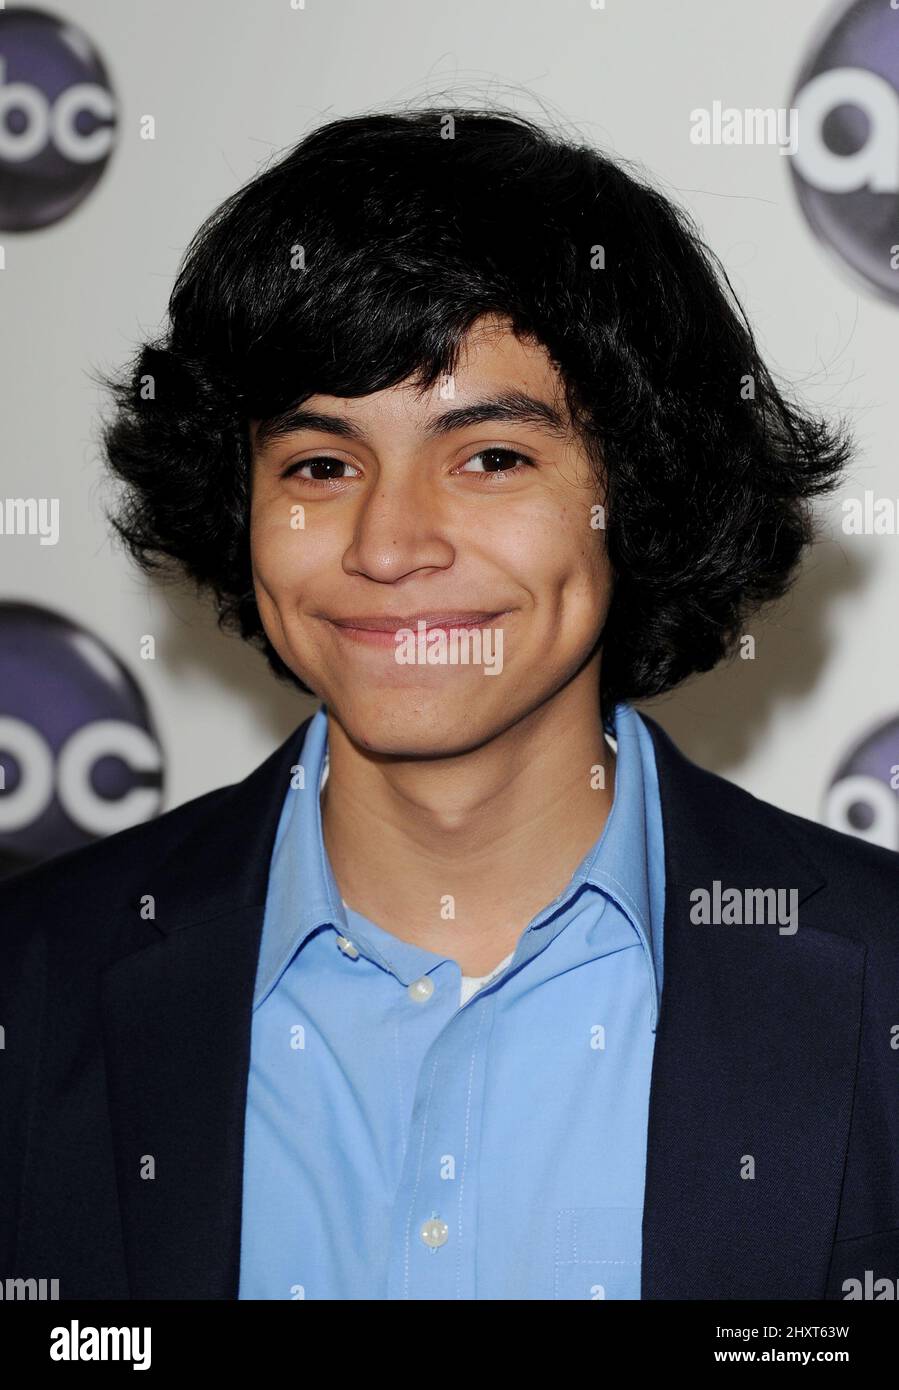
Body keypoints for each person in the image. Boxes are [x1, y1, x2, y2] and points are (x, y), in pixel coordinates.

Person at [1, 107, 896, 1302]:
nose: (389, 542)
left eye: (489, 459)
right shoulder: (37, 979)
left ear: (632, 493)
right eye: (321, 464)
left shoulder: (875, 982)